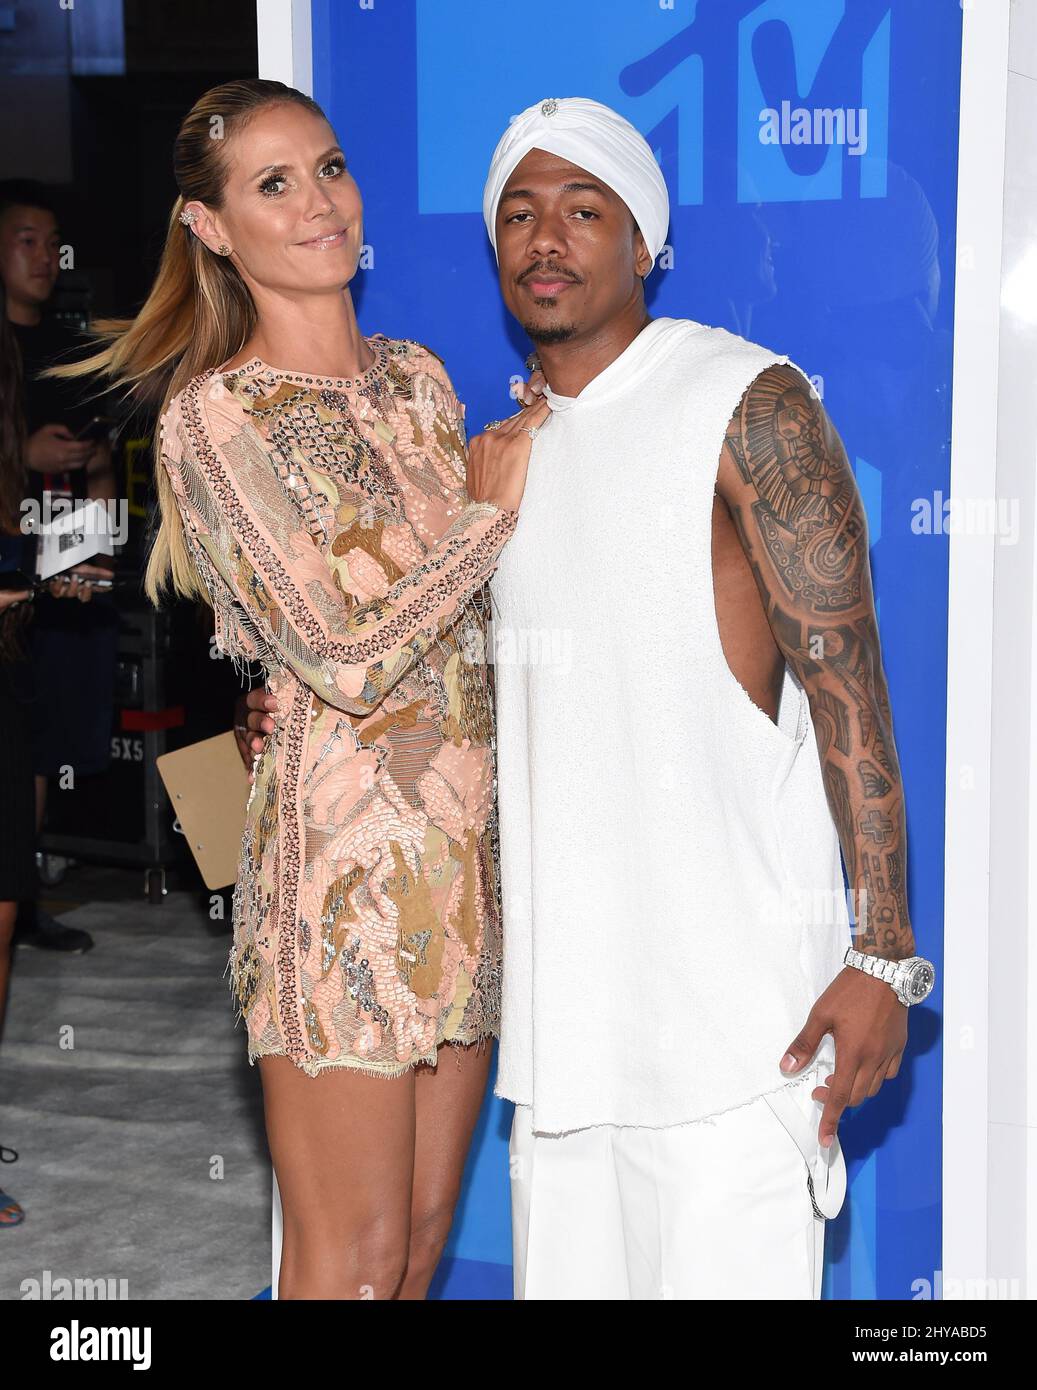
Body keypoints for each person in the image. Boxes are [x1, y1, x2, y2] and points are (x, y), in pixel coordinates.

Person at [241, 96, 939, 1302]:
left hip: (739, 1037)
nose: (545, 239)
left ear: (641, 240)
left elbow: (850, 691)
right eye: (518, 212)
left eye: (582, 210)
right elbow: (437, 688)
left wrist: (883, 957)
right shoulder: (492, 462)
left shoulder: (747, 402)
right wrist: (288, 719)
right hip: (561, 1049)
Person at [54, 78, 546, 1300]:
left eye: (328, 167)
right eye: (273, 183)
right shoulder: (214, 418)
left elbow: (473, 633)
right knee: (349, 1268)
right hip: (339, 883)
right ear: (213, 228)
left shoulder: (423, 382)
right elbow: (341, 656)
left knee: (418, 1253)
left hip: (464, 867)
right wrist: (488, 519)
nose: (318, 202)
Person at [0, 178, 117, 954]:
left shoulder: (72, 346)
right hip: (9, 565)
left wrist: (96, 544)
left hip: (64, 557)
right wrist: (22, 454)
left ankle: (26, 890)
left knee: (48, 733)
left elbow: (103, 455)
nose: (45, 257)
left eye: (52, 242)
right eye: (26, 241)